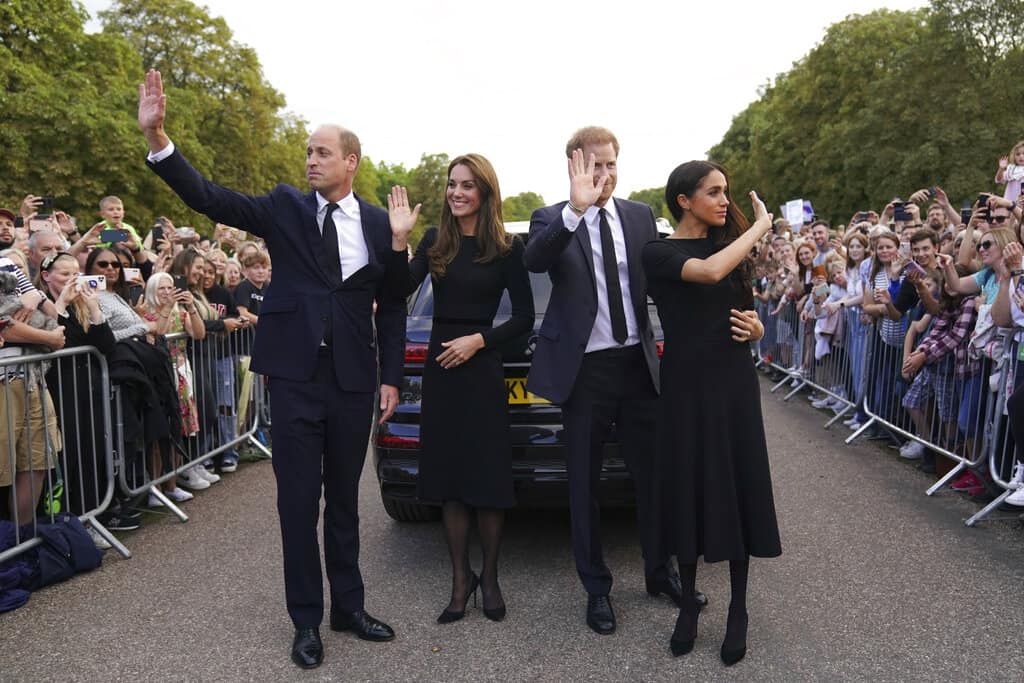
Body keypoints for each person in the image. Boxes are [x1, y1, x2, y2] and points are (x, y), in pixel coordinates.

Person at [138, 69, 408, 670]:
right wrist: (159, 140)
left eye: (322, 152)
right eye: (308, 151)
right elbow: (210, 197)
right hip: (293, 378)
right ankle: (306, 621)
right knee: (297, 504)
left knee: (345, 501)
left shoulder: (375, 224)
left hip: (352, 379)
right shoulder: (284, 207)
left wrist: (391, 375)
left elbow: (392, 305)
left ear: (351, 161)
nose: (310, 159)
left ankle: (350, 608)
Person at [524, 126, 705, 636]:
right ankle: (596, 588)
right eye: (594, 165)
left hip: (637, 365)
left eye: (610, 164)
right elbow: (535, 260)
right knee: (584, 483)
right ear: (575, 167)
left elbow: (666, 281)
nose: (604, 174)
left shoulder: (639, 215)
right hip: (586, 371)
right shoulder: (551, 218)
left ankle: (659, 572)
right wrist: (575, 210)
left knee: (653, 477)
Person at [641, 160, 780, 666]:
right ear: (684, 200)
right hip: (685, 386)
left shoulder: (731, 248)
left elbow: (744, 307)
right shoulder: (658, 251)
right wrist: (761, 226)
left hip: (733, 383)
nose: (725, 201)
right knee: (689, 487)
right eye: (714, 192)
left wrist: (757, 329)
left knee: (736, 485)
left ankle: (738, 609)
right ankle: (688, 607)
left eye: (726, 192)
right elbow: (709, 273)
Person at [388, 156, 534, 624]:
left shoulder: (507, 248)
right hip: (442, 372)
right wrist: (399, 240)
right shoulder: (436, 240)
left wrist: (480, 341)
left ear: (485, 192)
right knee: (450, 483)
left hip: (482, 369)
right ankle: (459, 580)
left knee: (487, 482)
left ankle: (489, 579)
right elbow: (397, 288)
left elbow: (524, 317)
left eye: (467, 185)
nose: (457, 192)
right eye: (452, 184)